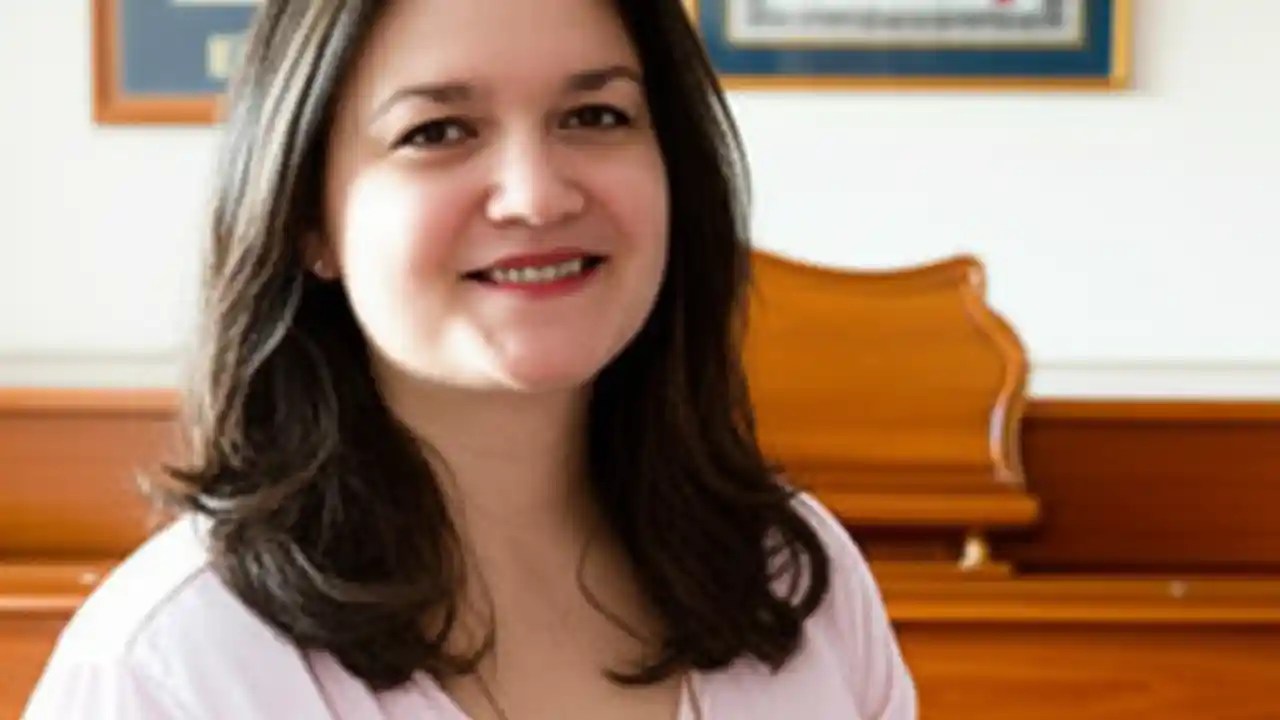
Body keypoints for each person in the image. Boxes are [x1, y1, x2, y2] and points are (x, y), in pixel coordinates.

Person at [24, 0, 916, 717]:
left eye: (595, 115)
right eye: (438, 132)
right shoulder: (170, 669)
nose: (536, 194)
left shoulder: (794, 576)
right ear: (308, 217)